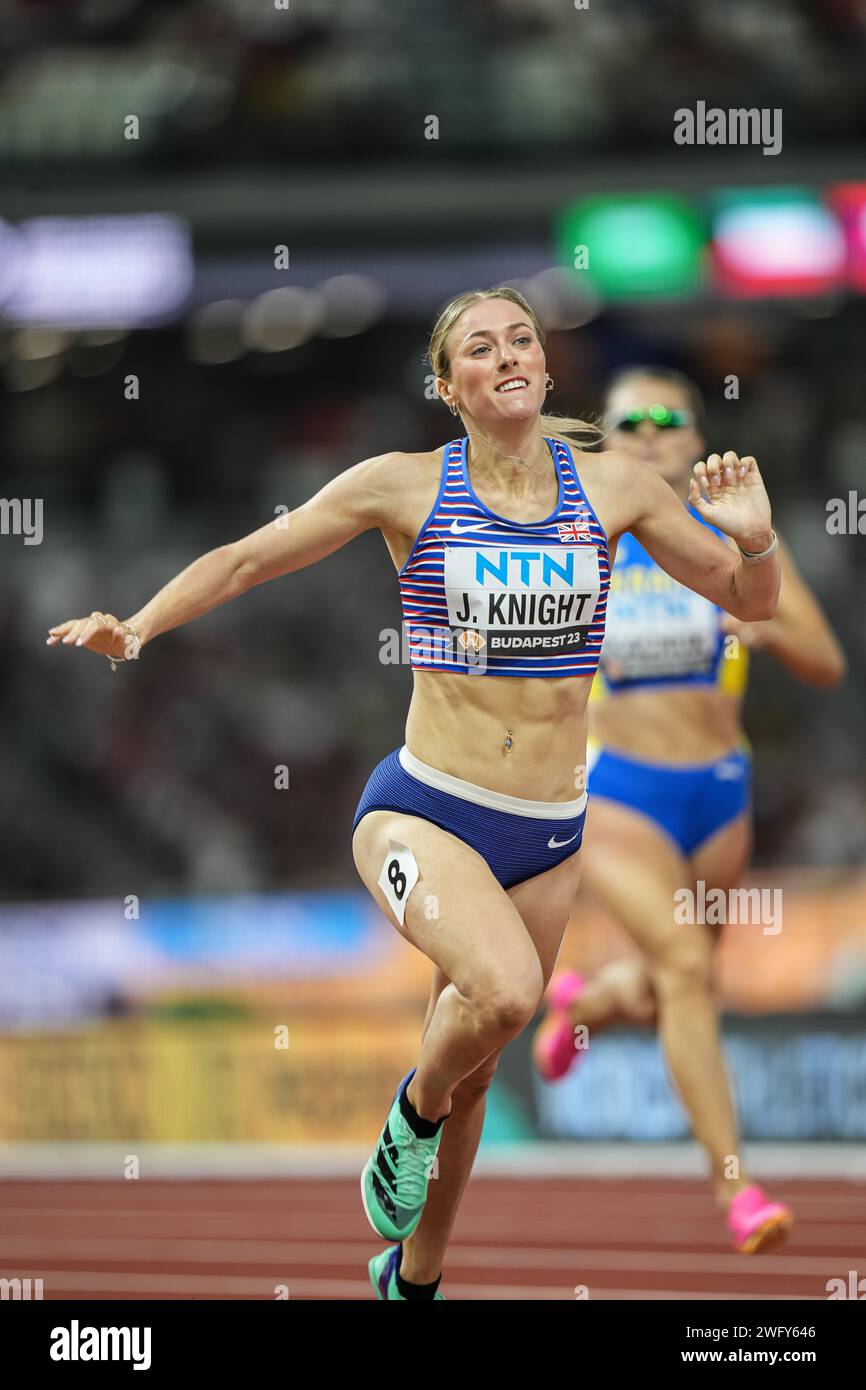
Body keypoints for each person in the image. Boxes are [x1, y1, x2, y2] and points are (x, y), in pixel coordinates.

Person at [48, 289, 781, 1300]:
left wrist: (754, 540)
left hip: (550, 829)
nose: (507, 354)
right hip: (427, 807)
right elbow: (254, 556)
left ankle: (415, 1277)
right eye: (479, 348)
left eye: (520, 337)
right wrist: (136, 625)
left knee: (483, 1066)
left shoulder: (615, 490)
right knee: (505, 996)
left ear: (544, 367)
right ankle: (410, 1109)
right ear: (449, 388)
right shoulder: (403, 487)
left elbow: (752, 603)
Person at [532, 366, 846, 1255]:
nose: (648, 429)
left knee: (683, 979)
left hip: (719, 796)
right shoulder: (579, 539)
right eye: (627, 419)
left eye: (668, 416)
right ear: (606, 442)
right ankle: (735, 1188)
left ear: (697, 439)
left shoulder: (725, 541)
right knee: (683, 962)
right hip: (622, 791)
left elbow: (824, 662)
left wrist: (761, 605)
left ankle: (587, 1004)